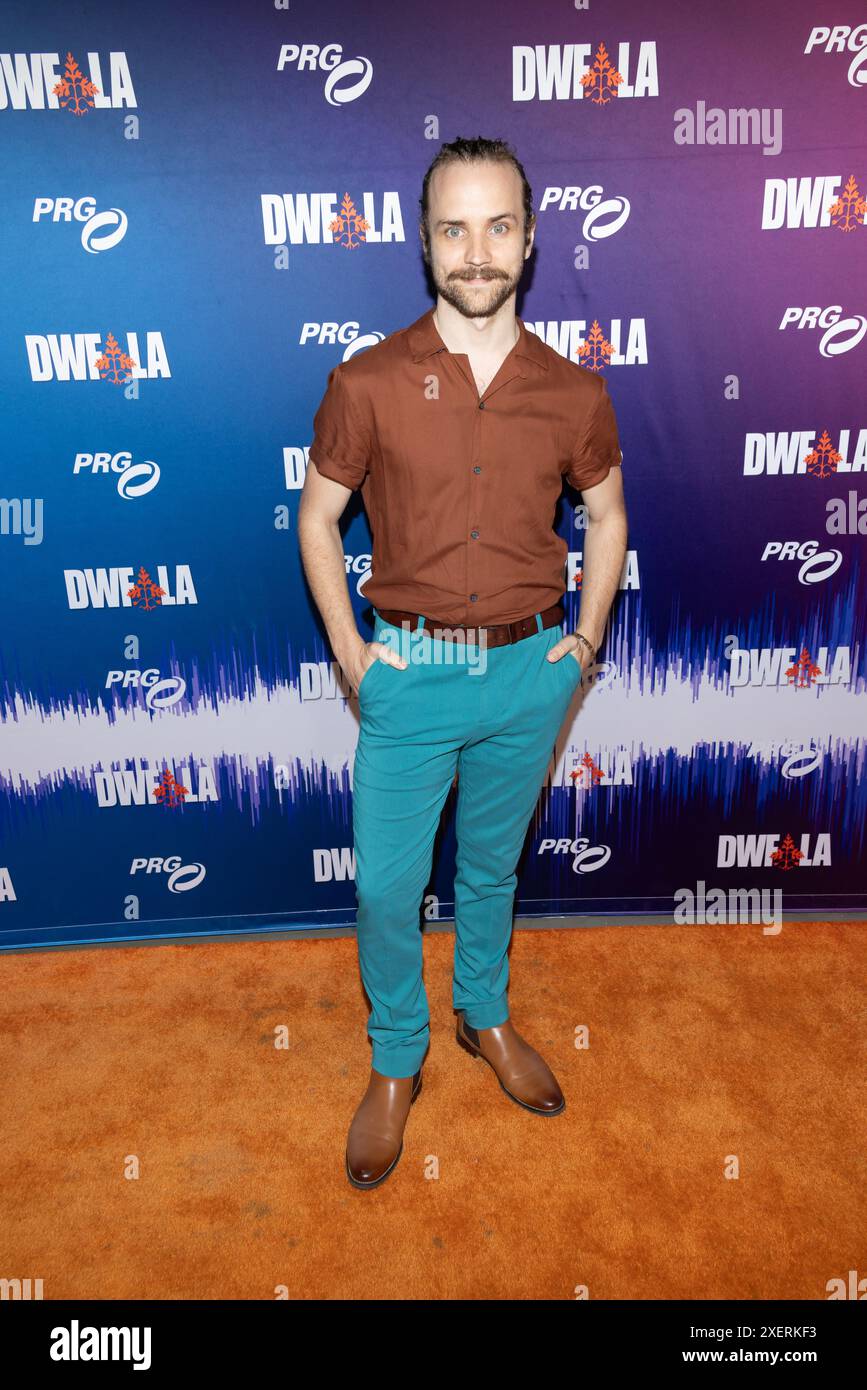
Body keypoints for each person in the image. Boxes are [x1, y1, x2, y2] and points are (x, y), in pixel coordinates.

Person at [298, 136, 627, 1190]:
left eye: (497, 227)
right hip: (409, 677)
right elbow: (318, 519)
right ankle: (399, 1058)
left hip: (531, 672)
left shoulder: (574, 393)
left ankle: (485, 1016)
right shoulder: (368, 380)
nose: (476, 251)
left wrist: (579, 648)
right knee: (390, 890)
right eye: (454, 228)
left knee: (490, 871)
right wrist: (354, 654)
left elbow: (609, 515)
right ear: (424, 241)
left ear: (531, 242)